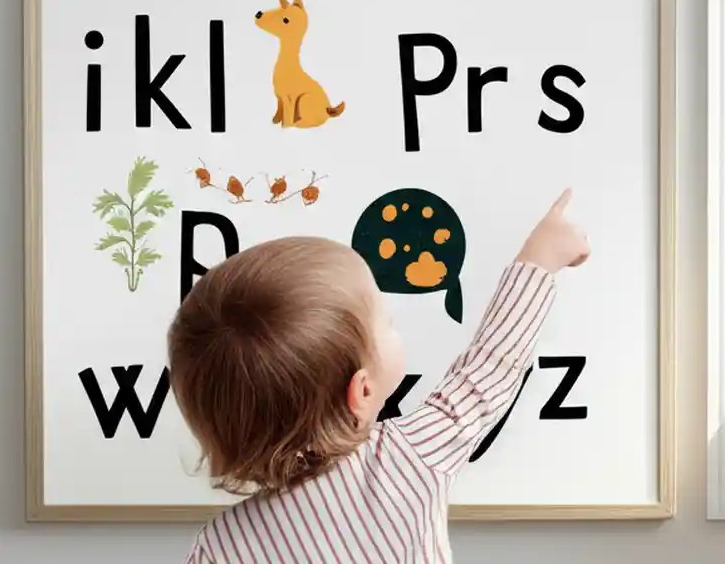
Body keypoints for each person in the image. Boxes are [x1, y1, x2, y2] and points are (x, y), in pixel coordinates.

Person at [168, 189, 589, 563]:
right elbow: (489, 367)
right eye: (387, 322)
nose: (394, 325)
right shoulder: (408, 457)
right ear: (362, 390)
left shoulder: (220, 547)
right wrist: (541, 259)